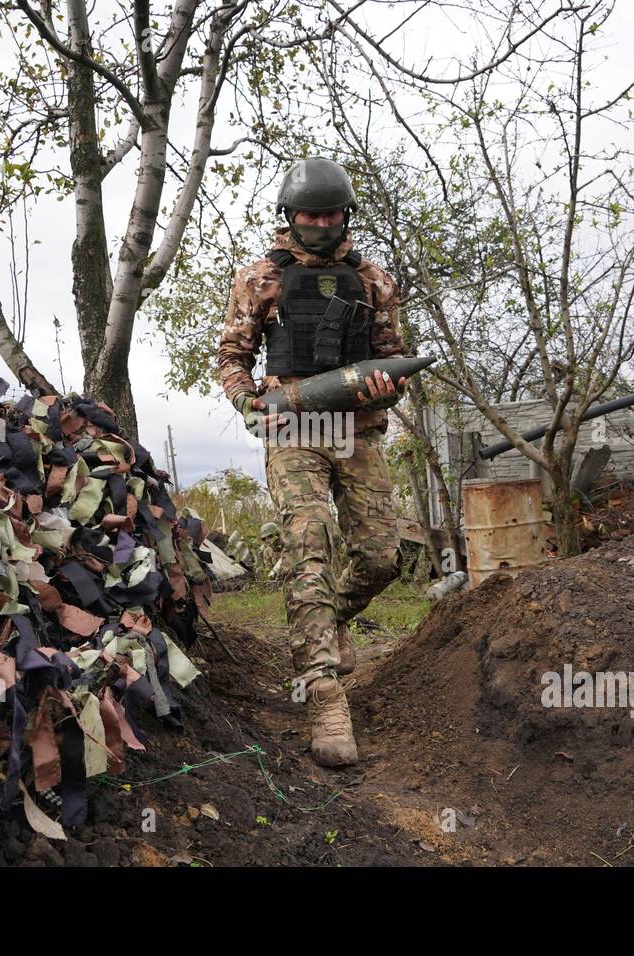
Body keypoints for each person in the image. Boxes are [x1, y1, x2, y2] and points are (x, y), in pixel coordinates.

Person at [216, 157, 406, 768]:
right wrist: (249, 404)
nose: (320, 223)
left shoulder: (374, 280)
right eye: (309, 213)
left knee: (381, 555)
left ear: (345, 214)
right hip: (293, 429)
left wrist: (388, 388)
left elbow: (392, 359)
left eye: (330, 213)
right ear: (290, 215)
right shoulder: (259, 280)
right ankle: (324, 692)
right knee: (307, 542)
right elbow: (230, 357)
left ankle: (330, 622)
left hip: (356, 430)